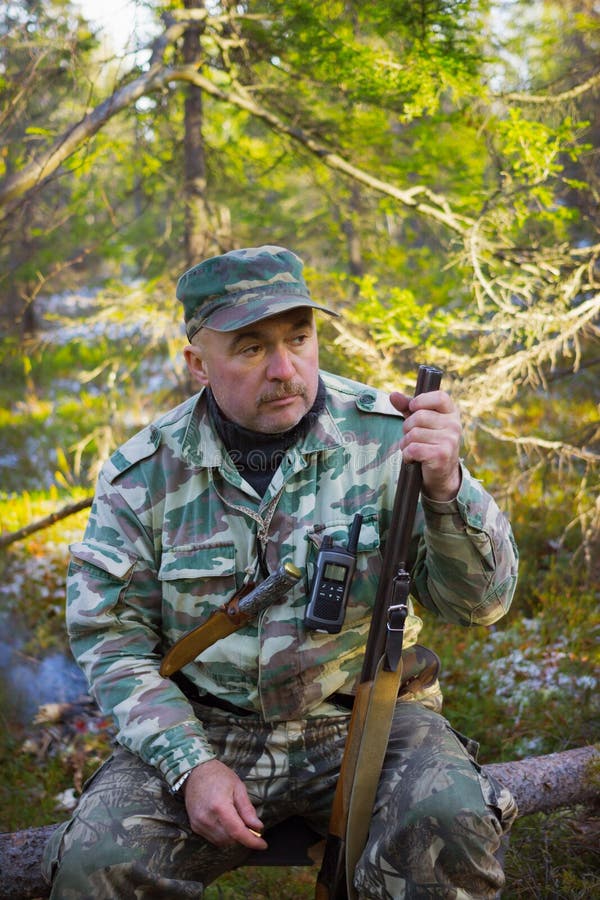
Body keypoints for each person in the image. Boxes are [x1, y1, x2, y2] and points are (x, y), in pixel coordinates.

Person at [43, 245, 518, 899]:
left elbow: (481, 605)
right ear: (197, 364)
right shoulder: (143, 473)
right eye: (250, 347)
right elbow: (111, 639)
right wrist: (192, 766)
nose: (285, 368)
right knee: (96, 863)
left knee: (451, 821)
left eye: (300, 337)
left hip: (368, 716)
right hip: (207, 726)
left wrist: (448, 487)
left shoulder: (389, 440)